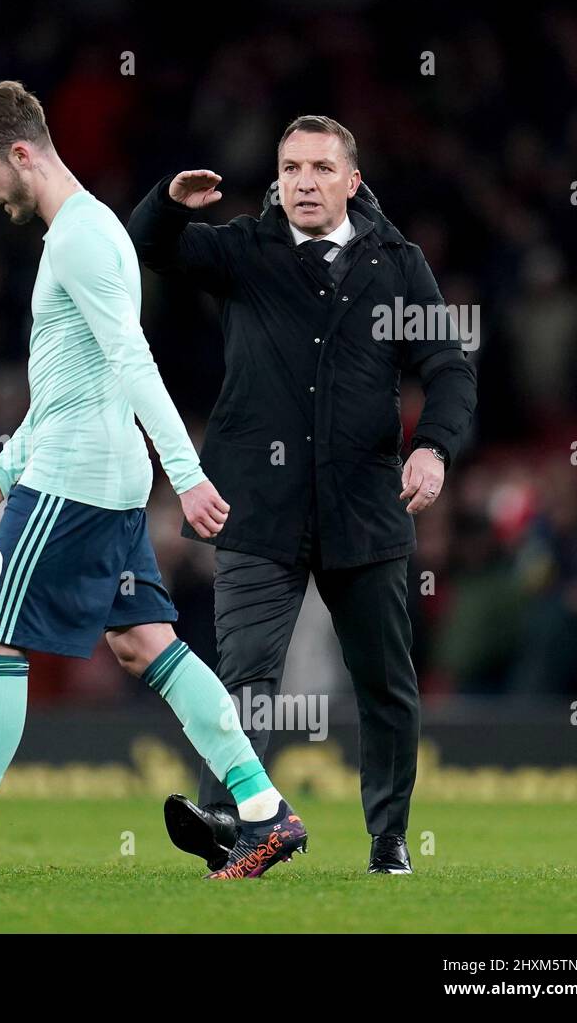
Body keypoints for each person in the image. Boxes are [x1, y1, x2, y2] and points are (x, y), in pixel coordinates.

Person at [0, 81, 308, 883]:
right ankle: (265, 811)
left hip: (72, 485)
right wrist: (2, 468)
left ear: (22, 153)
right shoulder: (96, 232)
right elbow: (73, 387)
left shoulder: (80, 240)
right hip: (96, 475)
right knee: (144, 641)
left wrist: (186, 477)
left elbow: (131, 362)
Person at [128, 115, 477, 874]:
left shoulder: (397, 263)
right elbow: (147, 249)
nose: (305, 182)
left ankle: (387, 835)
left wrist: (433, 447)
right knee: (245, 671)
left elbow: (449, 365)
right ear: (276, 178)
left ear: (353, 181)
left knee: (385, 680)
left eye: (322, 167)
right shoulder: (244, 250)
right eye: (291, 168)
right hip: (257, 504)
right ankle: (231, 816)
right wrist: (167, 201)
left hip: (364, 507)